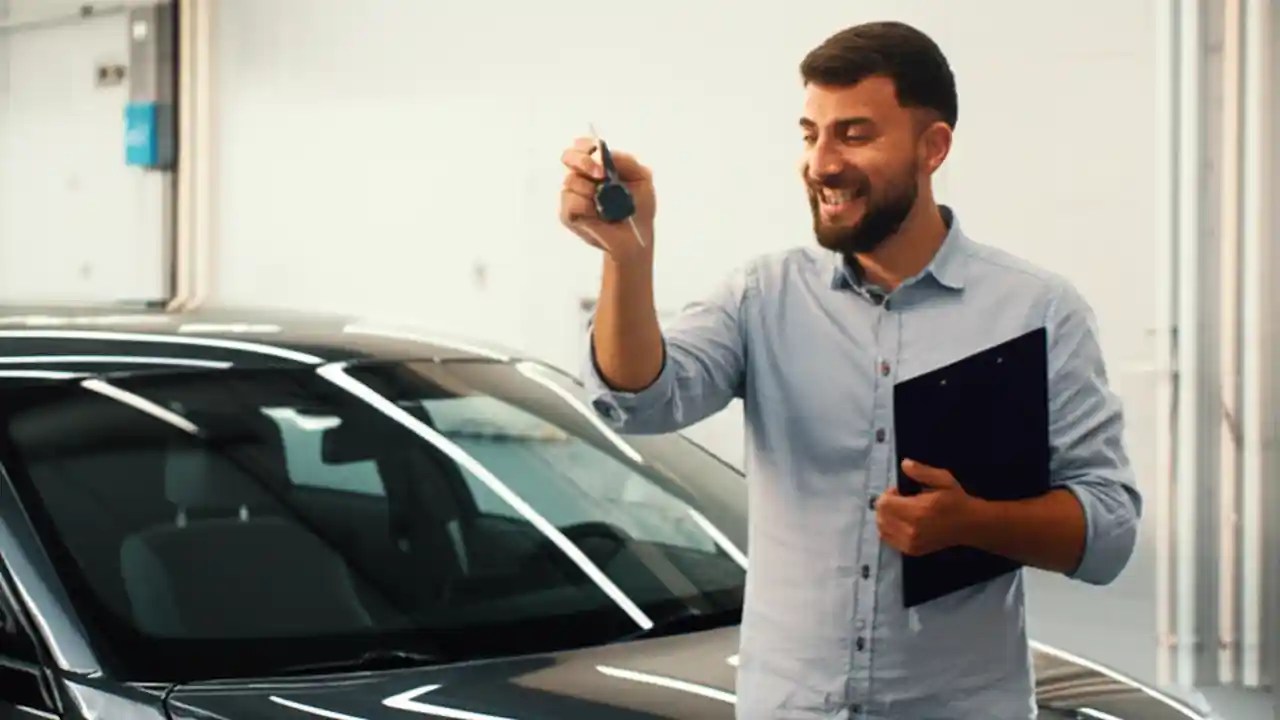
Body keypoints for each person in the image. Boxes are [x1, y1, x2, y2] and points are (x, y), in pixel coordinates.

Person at [558, 20, 1142, 720]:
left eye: (854, 135)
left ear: (933, 148)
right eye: (811, 134)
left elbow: (1108, 533)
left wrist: (976, 523)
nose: (821, 162)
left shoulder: (1037, 311)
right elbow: (641, 401)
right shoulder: (760, 296)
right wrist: (628, 257)